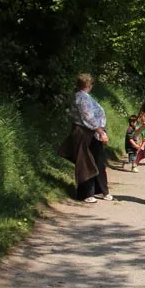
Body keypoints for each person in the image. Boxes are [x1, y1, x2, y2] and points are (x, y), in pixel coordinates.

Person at [57, 73, 112, 203]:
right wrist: (100, 131)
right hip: (84, 133)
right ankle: (86, 193)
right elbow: (88, 117)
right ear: (89, 85)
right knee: (86, 163)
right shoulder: (81, 98)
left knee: (98, 161)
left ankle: (101, 190)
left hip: (92, 133)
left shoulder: (85, 97)